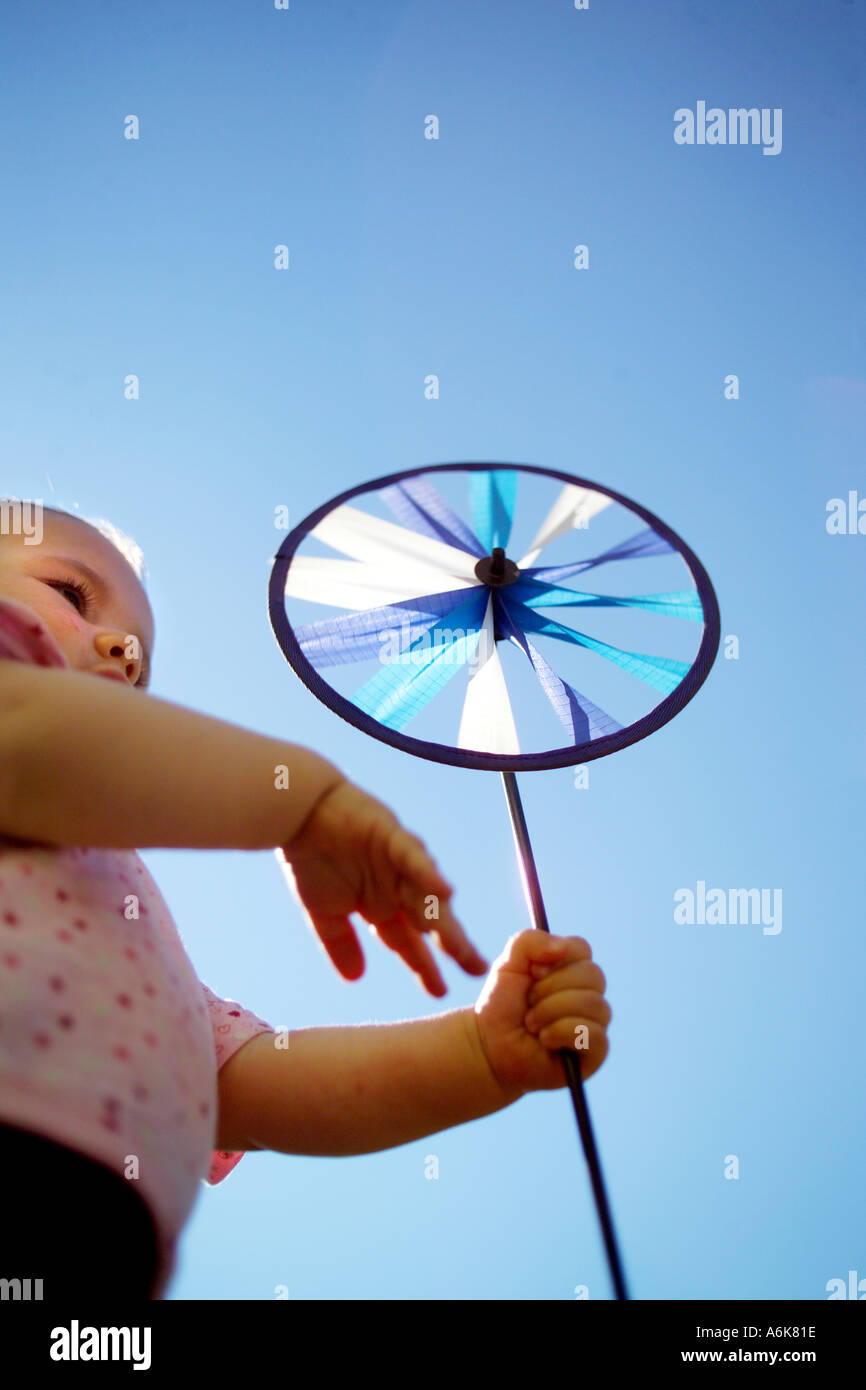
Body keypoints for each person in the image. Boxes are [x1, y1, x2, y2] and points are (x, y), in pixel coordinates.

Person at [0, 500, 611, 1299]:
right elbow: (29, 736)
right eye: (73, 595)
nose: (123, 649)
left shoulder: (125, 932)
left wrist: (479, 1057)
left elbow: (250, 1089)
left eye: (142, 666)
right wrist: (301, 800)